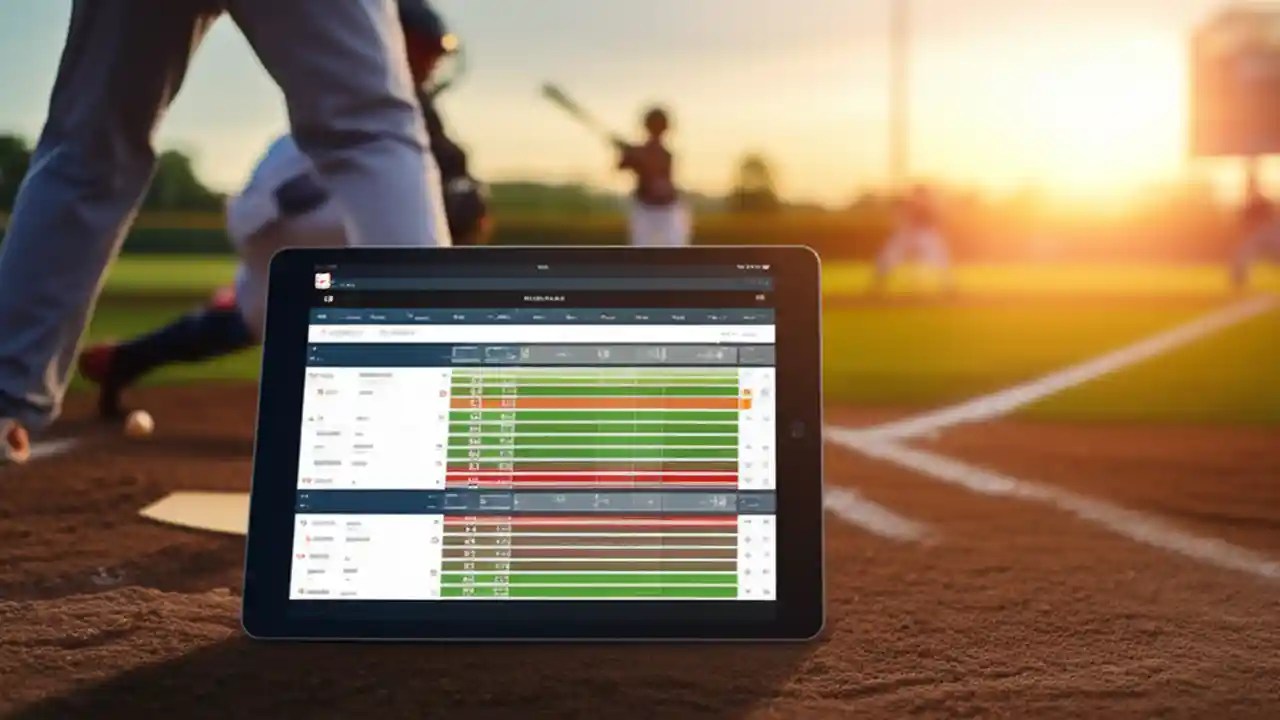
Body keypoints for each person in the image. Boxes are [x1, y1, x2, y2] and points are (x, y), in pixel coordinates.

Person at [0, 0, 454, 464]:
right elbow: (264, 211)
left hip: (281, 255)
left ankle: (7, 398)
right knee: (372, 132)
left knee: (88, 152)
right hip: (278, 239)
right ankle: (422, 409)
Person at [77, 2, 490, 420]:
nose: (432, 65)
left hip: (271, 219)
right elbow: (436, 176)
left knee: (251, 315)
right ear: (400, 41)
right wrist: (464, 202)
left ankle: (122, 360)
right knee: (400, 248)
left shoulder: (364, 89)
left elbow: (444, 164)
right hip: (303, 212)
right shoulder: (389, 101)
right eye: (426, 51)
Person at [616, 107, 691, 247]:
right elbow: (622, 165)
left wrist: (632, 153)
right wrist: (624, 150)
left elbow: (655, 174)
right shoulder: (638, 151)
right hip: (644, 208)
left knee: (675, 250)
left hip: (669, 209)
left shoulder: (665, 154)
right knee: (641, 250)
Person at [872, 184, 954, 292]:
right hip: (906, 233)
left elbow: (937, 222)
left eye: (922, 195)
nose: (920, 198)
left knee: (939, 256)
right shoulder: (908, 205)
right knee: (890, 255)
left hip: (926, 234)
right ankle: (879, 282)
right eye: (917, 195)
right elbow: (898, 217)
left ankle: (947, 284)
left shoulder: (931, 207)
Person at [1230, 174, 1280, 290]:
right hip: (1255, 235)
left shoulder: (1265, 202)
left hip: (1269, 232)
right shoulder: (1247, 206)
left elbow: (1272, 219)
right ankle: (1239, 281)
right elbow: (1244, 225)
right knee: (1242, 253)